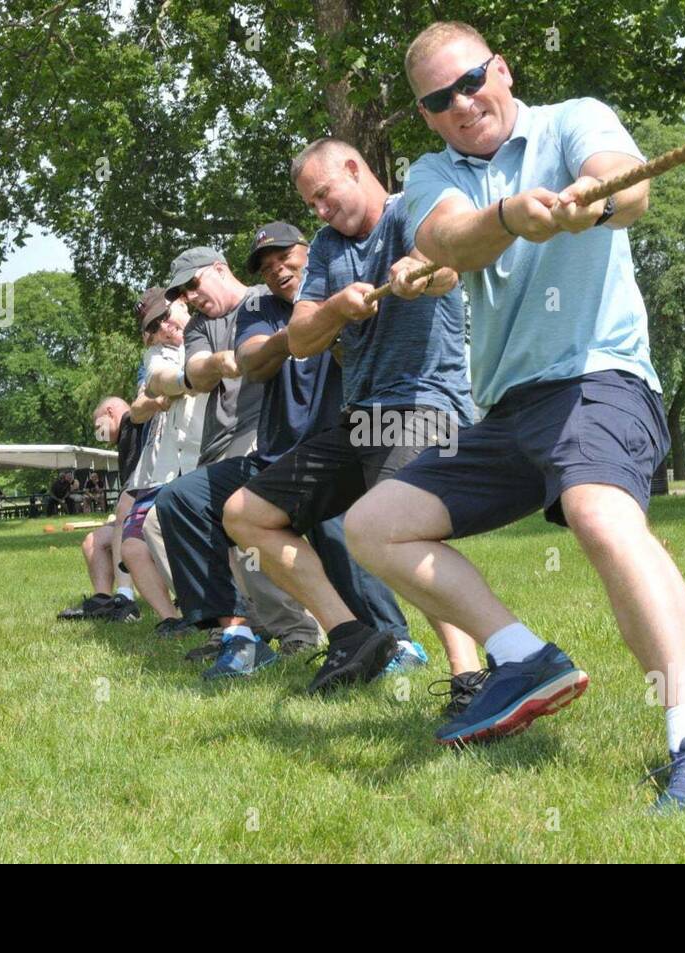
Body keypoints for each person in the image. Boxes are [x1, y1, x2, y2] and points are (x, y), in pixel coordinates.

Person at [332, 21, 685, 808]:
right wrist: (510, 217)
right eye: (439, 99)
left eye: (471, 81)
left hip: (599, 379)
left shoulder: (574, 119)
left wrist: (595, 194)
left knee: (598, 514)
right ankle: (523, 658)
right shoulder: (428, 174)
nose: (462, 103)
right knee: (373, 525)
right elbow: (450, 236)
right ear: (426, 115)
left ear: (502, 70)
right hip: (509, 409)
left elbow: (632, 182)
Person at [222, 139, 482, 698]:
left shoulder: (414, 207)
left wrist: (421, 269)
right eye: (310, 203)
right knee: (246, 514)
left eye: (322, 195)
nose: (318, 211)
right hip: (361, 419)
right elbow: (303, 339)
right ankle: (350, 635)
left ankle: (469, 673)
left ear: (352, 168)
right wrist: (338, 307)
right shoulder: (324, 245)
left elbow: (447, 266)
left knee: (397, 529)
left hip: (423, 405)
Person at [155, 223, 415, 680]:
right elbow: (247, 362)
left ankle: (394, 641)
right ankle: (239, 636)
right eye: (267, 265)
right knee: (181, 500)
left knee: (336, 524)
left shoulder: (345, 293)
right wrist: (302, 335)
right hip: (276, 457)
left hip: (342, 449)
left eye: (285, 257)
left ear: (308, 253)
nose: (277, 269)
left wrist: (334, 323)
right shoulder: (258, 307)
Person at [145, 243, 325, 665]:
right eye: (182, 293)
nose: (189, 297)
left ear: (221, 269)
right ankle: (235, 626)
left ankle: (297, 630)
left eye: (193, 284)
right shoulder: (198, 328)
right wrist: (223, 362)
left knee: (246, 528)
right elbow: (199, 373)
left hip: (265, 430)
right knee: (160, 521)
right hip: (218, 440)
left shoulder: (266, 301)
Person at [115, 285, 205, 632]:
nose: (165, 328)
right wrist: (157, 398)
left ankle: (218, 609)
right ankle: (174, 618)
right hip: (164, 466)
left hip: (205, 457)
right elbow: (138, 409)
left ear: (183, 302)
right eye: (154, 327)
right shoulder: (157, 356)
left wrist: (178, 384)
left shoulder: (209, 332)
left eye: (166, 316)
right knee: (134, 545)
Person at [57, 388, 163, 625]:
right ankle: (104, 600)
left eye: (99, 426)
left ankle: (125, 599)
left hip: (150, 501)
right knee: (92, 541)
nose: (99, 434)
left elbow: (142, 410)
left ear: (110, 411)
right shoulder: (125, 435)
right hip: (135, 504)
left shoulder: (132, 420)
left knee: (122, 518)